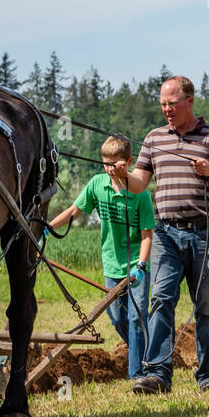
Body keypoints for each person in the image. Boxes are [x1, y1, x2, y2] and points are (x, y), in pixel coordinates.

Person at [127, 76, 209, 394]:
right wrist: (119, 173)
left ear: (190, 101)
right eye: (163, 104)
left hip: (207, 235)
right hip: (166, 234)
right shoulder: (153, 139)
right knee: (161, 301)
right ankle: (156, 375)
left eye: (172, 103)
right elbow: (138, 183)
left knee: (206, 304)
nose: (167, 109)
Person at [49, 135, 155, 378]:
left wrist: (141, 265)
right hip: (111, 264)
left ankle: (137, 372)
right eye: (105, 163)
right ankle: (147, 352)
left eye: (114, 164)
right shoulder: (97, 184)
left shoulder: (141, 194)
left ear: (129, 161)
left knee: (137, 318)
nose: (109, 169)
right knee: (118, 318)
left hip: (135, 266)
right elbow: (74, 211)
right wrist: (47, 229)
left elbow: (147, 234)